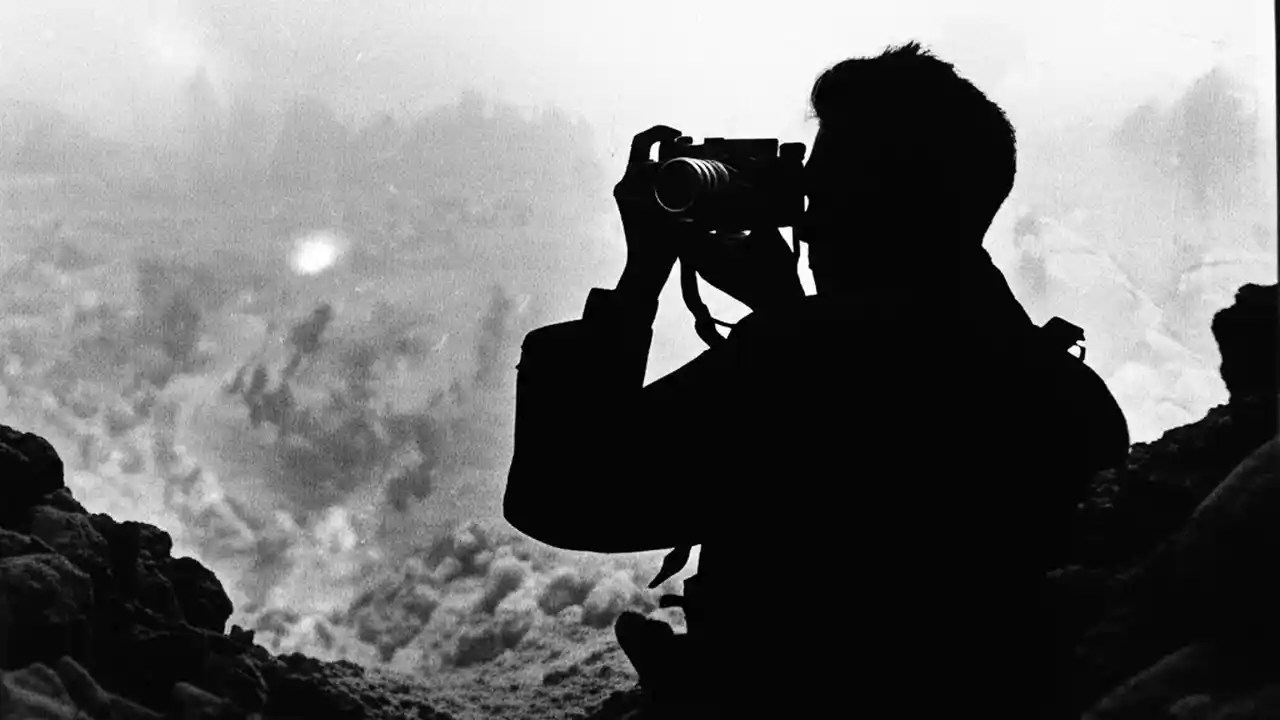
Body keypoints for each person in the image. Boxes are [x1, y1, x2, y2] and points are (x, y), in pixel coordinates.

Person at [505, 41, 1129, 718]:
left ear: (874, 204)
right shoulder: (1073, 394)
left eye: (821, 190)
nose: (804, 213)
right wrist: (792, 314)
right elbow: (892, 427)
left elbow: (562, 493)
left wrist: (644, 276)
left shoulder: (793, 362)